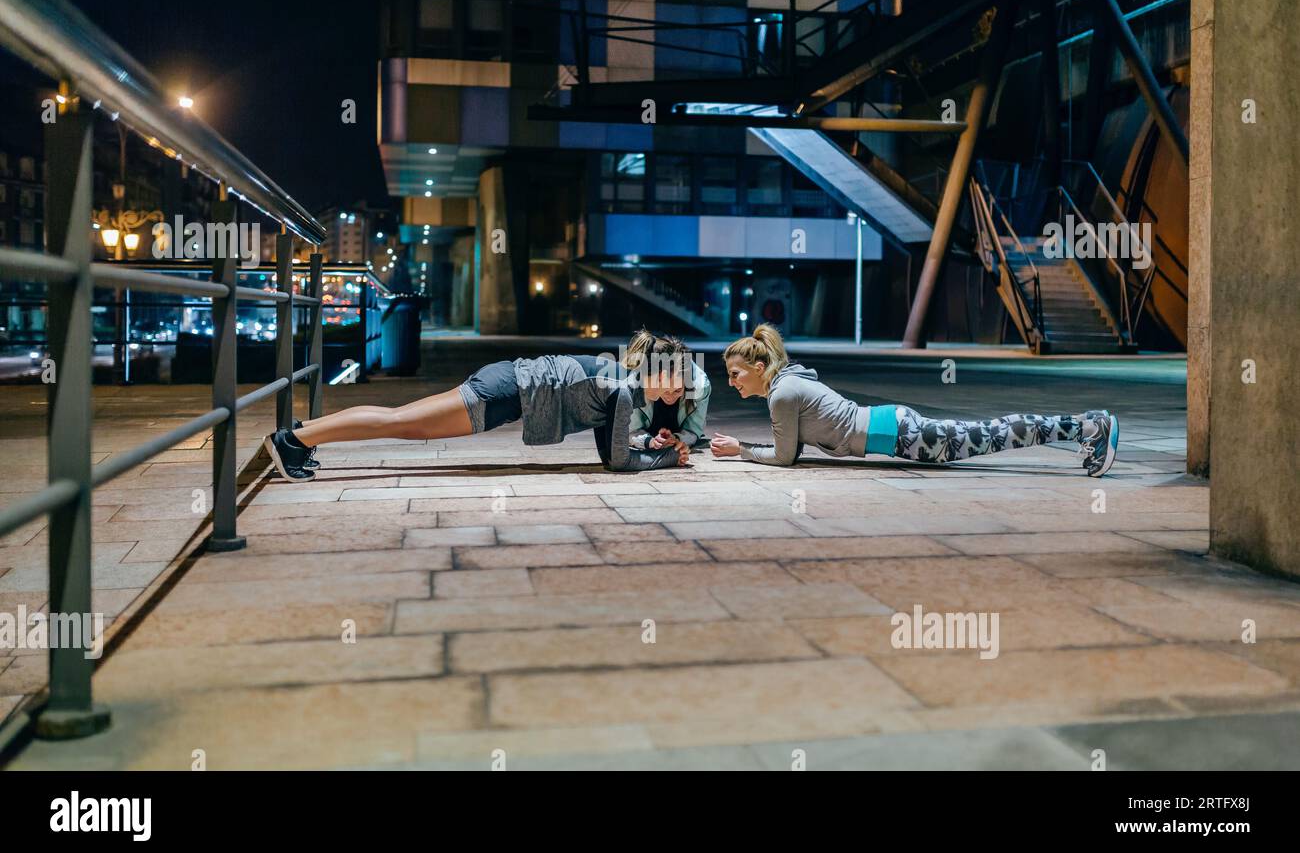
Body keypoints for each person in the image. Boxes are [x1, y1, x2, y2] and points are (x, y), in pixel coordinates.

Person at [265, 333, 704, 482]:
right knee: (399, 422)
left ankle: (304, 434)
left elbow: (612, 449)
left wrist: (647, 440)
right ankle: (293, 440)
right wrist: (668, 456)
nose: (679, 392)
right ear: (660, 373)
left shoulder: (621, 381)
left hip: (505, 386)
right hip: (503, 394)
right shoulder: (623, 390)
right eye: (678, 380)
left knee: (399, 420)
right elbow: (618, 463)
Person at [709, 324, 1119, 477]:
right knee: (990, 433)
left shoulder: (782, 393)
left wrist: (740, 450)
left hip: (900, 434)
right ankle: (1085, 424)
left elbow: (784, 459)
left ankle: (1090, 425)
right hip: (895, 427)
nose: (732, 383)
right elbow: (794, 447)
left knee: (992, 434)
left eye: (736, 373)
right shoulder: (784, 385)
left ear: (759, 367)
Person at [622, 329, 711, 458]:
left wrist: (676, 440)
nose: (670, 397)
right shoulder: (636, 384)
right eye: (664, 390)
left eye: (677, 390)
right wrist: (649, 442)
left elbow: (694, 429)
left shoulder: (700, 385)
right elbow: (630, 430)